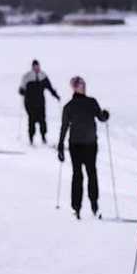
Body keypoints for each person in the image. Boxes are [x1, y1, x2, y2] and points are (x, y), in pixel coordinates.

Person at [57, 76, 110, 219]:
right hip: (75, 145)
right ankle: (76, 207)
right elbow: (64, 127)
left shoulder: (91, 102)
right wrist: (60, 146)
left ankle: (94, 204)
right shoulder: (69, 106)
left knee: (92, 173)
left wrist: (105, 115)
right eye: (81, 85)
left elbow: (100, 117)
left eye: (84, 84)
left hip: (91, 144)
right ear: (74, 87)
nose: (84, 87)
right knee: (77, 175)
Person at [19, 60, 60, 145]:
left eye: (38, 66)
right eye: (35, 66)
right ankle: (31, 138)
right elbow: (21, 89)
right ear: (32, 67)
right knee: (32, 120)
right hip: (29, 102)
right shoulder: (27, 76)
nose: (36, 68)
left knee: (42, 120)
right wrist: (22, 92)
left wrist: (56, 95)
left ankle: (43, 137)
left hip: (41, 102)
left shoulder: (43, 76)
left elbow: (49, 87)